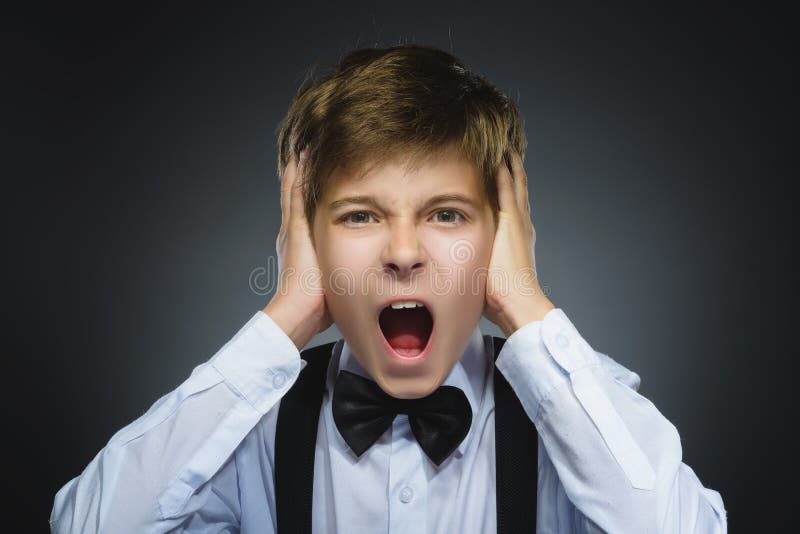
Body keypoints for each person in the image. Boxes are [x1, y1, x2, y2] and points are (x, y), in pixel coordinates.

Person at [49, 44, 727, 533]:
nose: (403, 253)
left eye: (446, 214)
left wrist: (525, 302)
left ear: (502, 236)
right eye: (361, 215)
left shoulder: (576, 416)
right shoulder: (250, 430)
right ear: (308, 239)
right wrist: (284, 316)